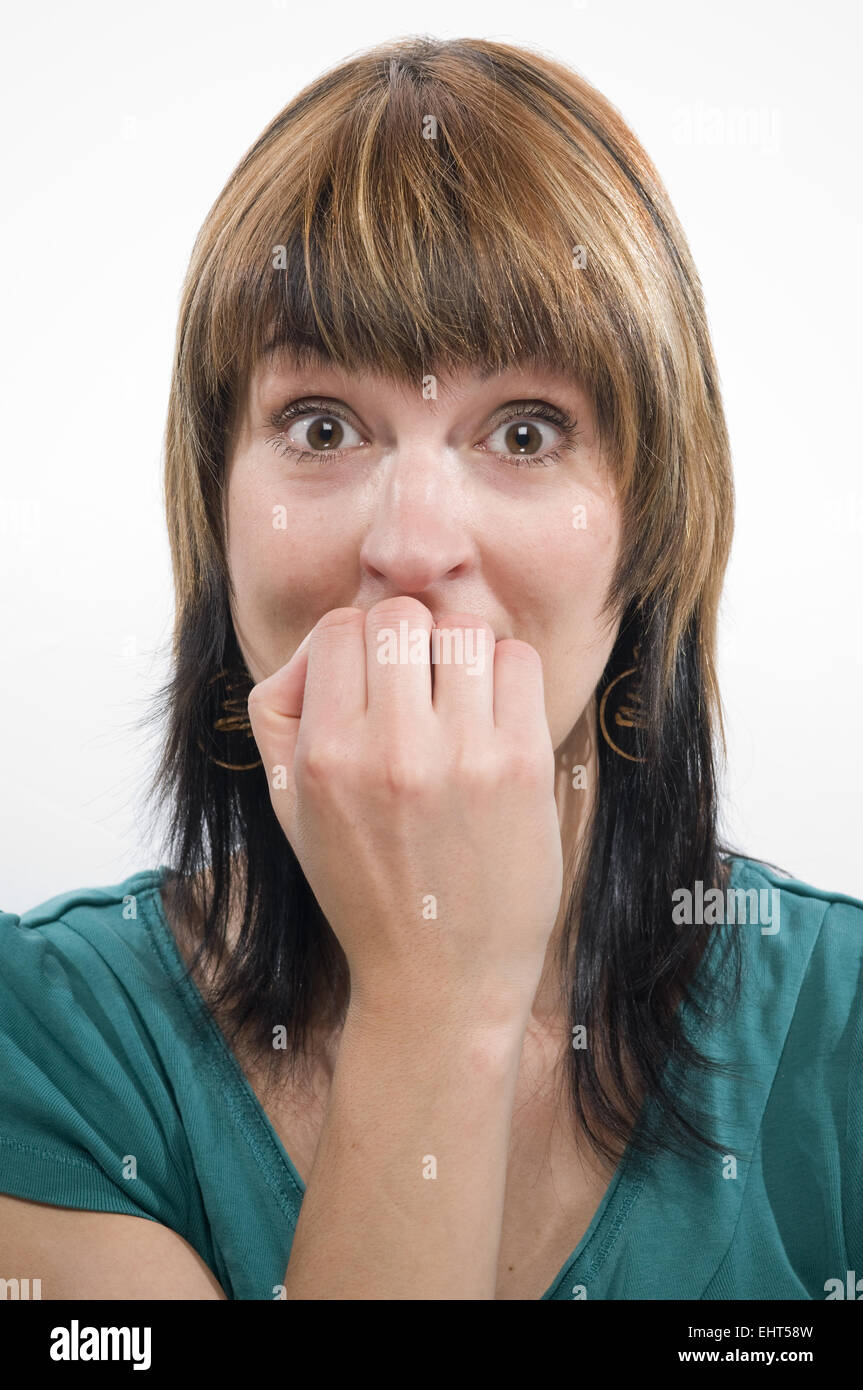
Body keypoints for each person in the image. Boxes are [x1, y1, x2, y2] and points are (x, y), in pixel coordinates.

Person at [1, 35, 861, 1302]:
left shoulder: (838, 1037)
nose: (408, 547)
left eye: (523, 432)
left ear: (650, 532)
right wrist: (435, 994)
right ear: (216, 511)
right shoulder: (46, 1045)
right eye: (321, 425)